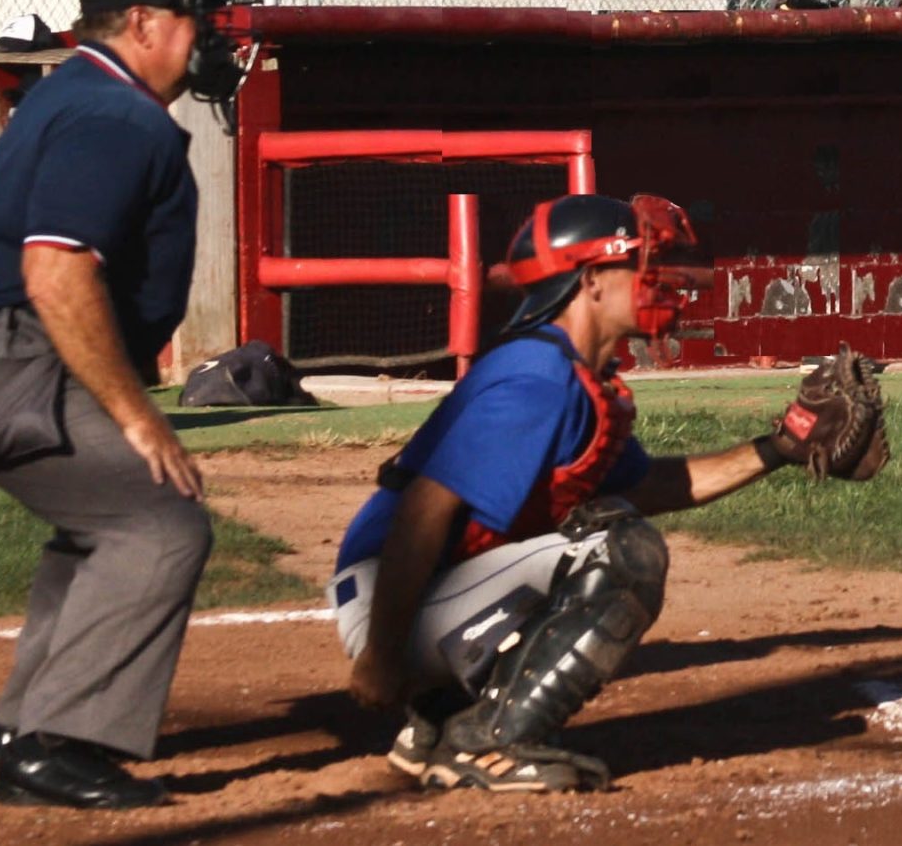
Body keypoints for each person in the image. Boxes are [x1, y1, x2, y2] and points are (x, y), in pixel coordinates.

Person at [0, 0, 252, 809]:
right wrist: (137, 417)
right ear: (142, 23)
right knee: (160, 529)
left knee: (106, 525)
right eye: (196, 16)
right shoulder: (115, 115)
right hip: (10, 359)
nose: (213, 35)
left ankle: (30, 723)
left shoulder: (81, 91)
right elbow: (56, 269)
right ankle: (57, 743)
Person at [331, 192, 816, 794]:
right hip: (393, 592)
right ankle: (489, 742)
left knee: (608, 525)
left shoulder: (575, 375)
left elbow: (647, 486)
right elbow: (423, 512)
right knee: (618, 549)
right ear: (591, 280)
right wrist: (383, 654)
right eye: (640, 263)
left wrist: (779, 448)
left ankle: (437, 724)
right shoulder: (537, 377)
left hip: (429, 586)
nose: (657, 278)